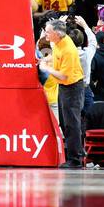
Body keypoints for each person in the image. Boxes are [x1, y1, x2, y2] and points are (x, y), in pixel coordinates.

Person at [40, 18, 85, 167]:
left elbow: (64, 76)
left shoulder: (69, 50)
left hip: (72, 88)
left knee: (72, 124)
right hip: (64, 88)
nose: (46, 34)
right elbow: (56, 55)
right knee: (65, 124)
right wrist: (47, 59)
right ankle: (73, 153)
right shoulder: (57, 43)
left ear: (57, 34)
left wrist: (47, 69)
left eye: (48, 31)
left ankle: (75, 159)